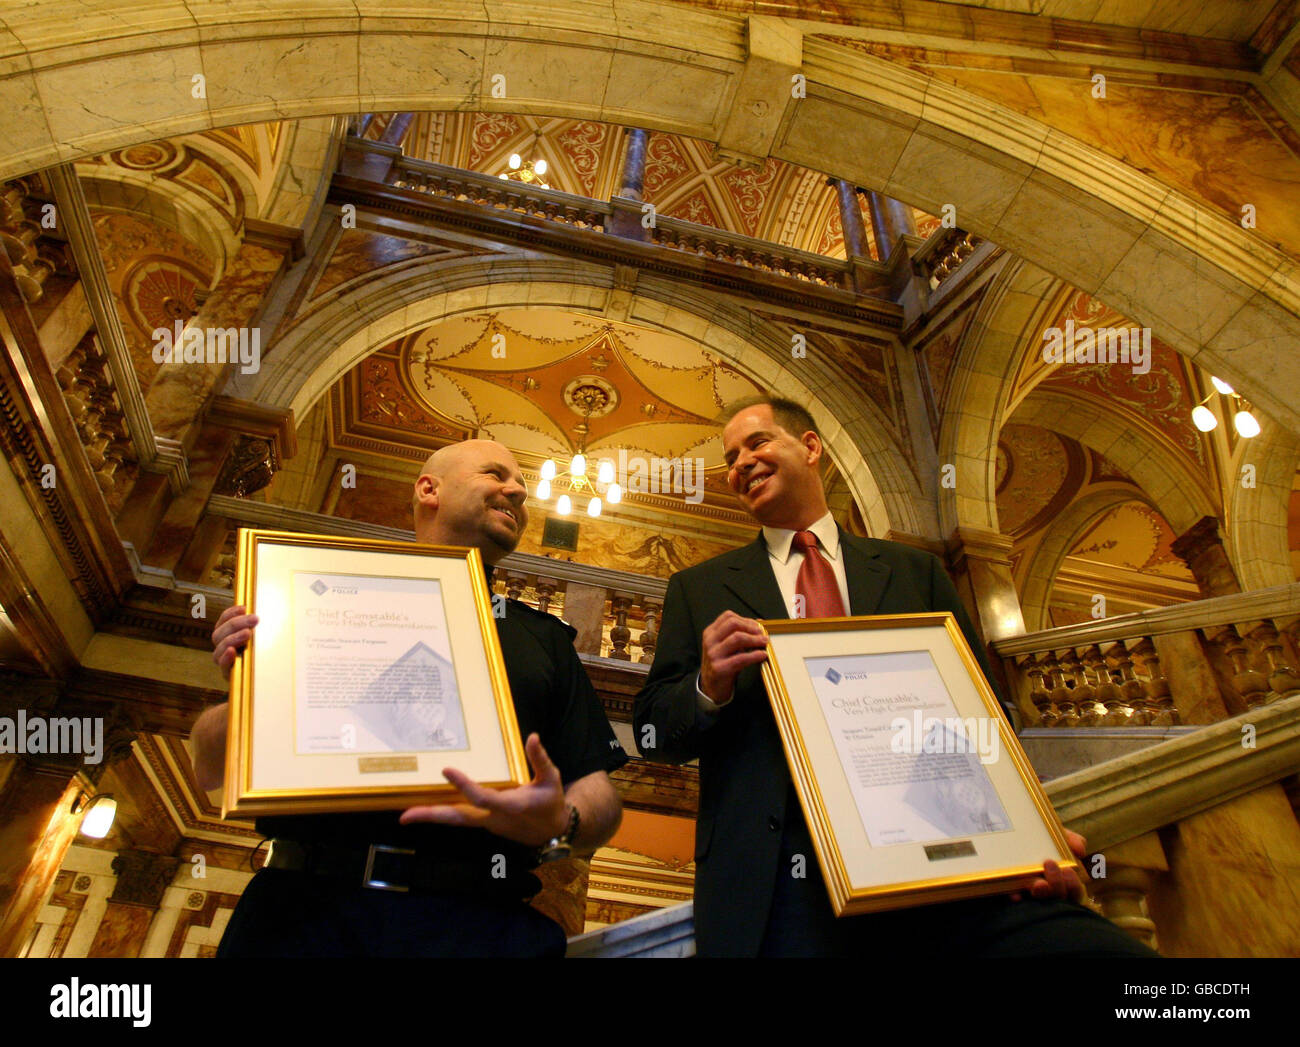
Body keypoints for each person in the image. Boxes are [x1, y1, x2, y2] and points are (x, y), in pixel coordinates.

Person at [634, 396, 1157, 958]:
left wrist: (1032, 836)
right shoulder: (701, 588)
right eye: (731, 456)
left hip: (951, 864)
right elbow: (655, 737)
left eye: (756, 443)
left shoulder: (914, 572)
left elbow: (985, 717)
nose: (740, 464)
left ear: (810, 447)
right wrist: (708, 686)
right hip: (784, 884)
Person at [191, 440, 627, 957]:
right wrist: (251, 689)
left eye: (522, 487)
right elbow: (210, 768)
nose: (517, 490)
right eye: (496, 474)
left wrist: (562, 823)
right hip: (302, 915)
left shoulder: (544, 638)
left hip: (482, 923)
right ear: (428, 489)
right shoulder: (317, 599)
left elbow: (597, 793)